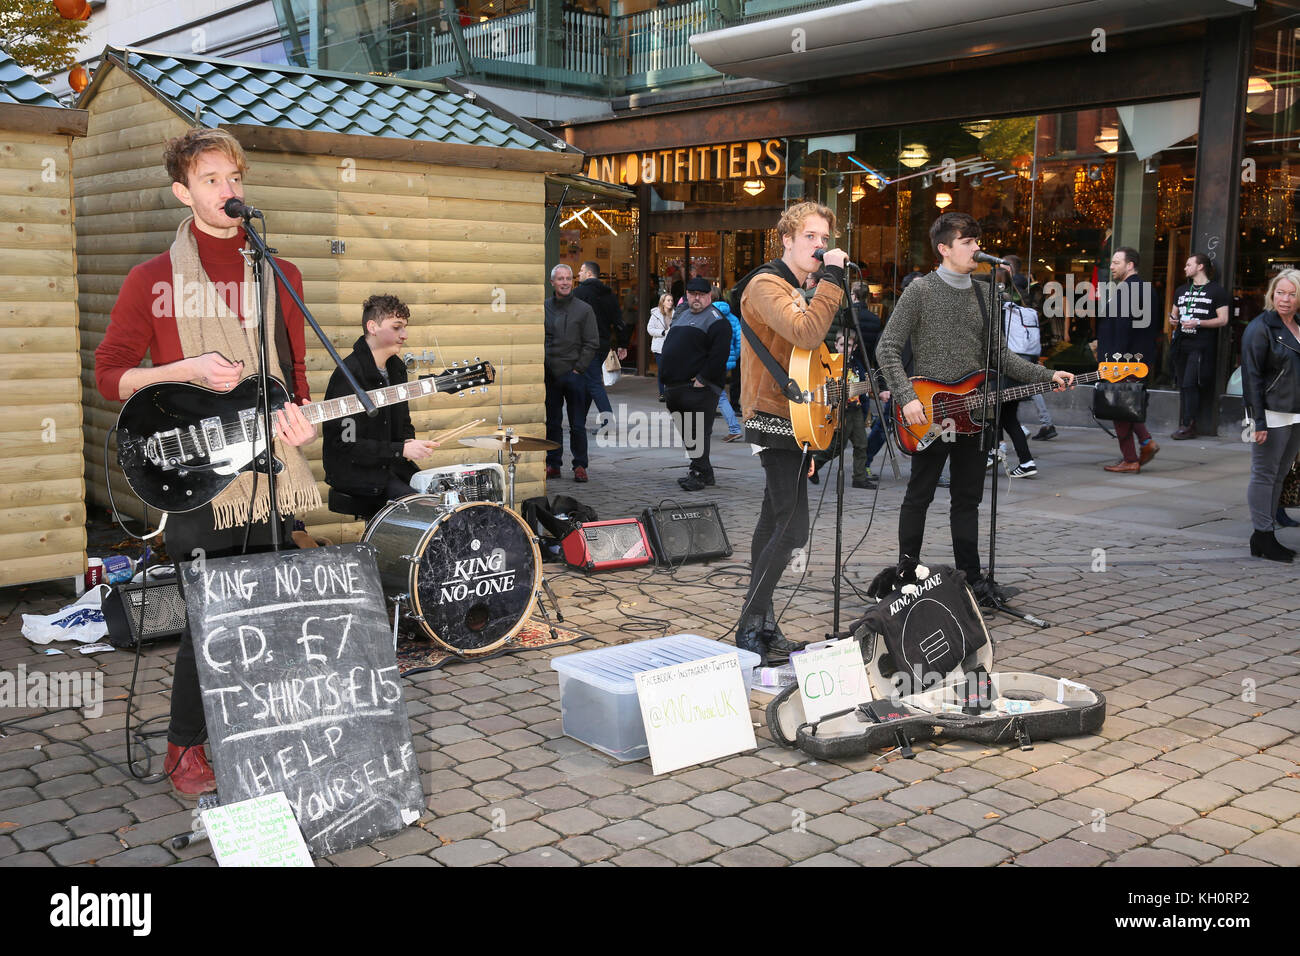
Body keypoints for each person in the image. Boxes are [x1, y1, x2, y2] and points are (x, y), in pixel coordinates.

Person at [93, 128, 319, 801]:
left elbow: (295, 372)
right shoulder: (153, 280)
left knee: (272, 608)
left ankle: (258, 728)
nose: (228, 190)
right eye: (212, 179)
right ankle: (184, 746)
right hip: (196, 479)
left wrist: (301, 418)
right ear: (182, 192)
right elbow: (110, 375)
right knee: (212, 616)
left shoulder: (279, 271)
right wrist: (183, 369)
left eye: (233, 177)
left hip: (270, 470)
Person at [876, 212, 1074, 601]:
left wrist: (1046, 376)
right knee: (920, 496)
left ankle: (973, 581)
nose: (976, 248)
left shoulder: (987, 293)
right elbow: (887, 348)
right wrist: (906, 397)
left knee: (968, 500)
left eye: (977, 240)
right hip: (929, 413)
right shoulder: (920, 291)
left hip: (975, 413)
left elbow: (1001, 356)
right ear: (944, 248)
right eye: (967, 242)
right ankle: (906, 575)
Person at [735, 202, 847, 664]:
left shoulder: (800, 287)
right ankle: (750, 624)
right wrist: (833, 281)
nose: (820, 246)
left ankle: (760, 624)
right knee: (793, 525)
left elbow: (806, 358)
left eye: (825, 239)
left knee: (774, 518)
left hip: (797, 417)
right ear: (786, 238)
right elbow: (805, 332)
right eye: (811, 238)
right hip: (771, 414)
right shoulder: (766, 285)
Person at [323, 295, 438, 511]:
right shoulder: (348, 375)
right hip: (355, 471)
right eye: (397, 327)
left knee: (441, 499)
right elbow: (346, 444)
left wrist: (411, 444)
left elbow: (403, 422)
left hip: (390, 464)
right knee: (421, 508)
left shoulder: (396, 368)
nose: (404, 335)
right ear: (372, 327)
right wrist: (400, 449)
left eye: (405, 327)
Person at [1240, 269, 1300, 562]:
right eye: (1280, 293)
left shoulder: (1298, 325)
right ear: (1271, 294)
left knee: (1279, 474)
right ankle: (1263, 534)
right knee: (1264, 474)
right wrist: (1257, 421)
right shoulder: (1260, 327)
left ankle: (1263, 535)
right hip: (1271, 412)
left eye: (1291, 293)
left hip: (1295, 413)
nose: (1285, 299)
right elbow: (1250, 377)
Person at [660, 276, 732, 491]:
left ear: (710, 296)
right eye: (693, 294)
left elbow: (719, 356)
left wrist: (703, 379)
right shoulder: (682, 315)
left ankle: (699, 473)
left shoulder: (717, 320)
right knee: (689, 432)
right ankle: (703, 471)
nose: (697, 298)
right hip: (676, 386)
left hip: (699, 388)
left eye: (701, 294)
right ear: (687, 295)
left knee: (698, 432)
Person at [1094, 247, 1160, 473]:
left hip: (1122, 361)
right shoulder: (1146, 289)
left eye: (1116, 262)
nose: (1111, 267)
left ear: (1129, 265)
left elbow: (1122, 328)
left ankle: (1131, 459)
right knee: (1126, 404)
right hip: (1139, 358)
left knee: (1118, 407)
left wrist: (1112, 362)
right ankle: (1145, 443)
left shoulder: (1127, 290)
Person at [544, 264, 599, 482]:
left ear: (573, 281)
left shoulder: (584, 309)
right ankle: (553, 463)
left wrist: (578, 368)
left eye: (568, 278)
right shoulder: (544, 308)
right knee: (552, 422)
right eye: (560, 279)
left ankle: (580, 465)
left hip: (576, 375)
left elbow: (591, 342)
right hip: (550, 374)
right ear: (552, 283)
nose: (565, 282)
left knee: (577, 424)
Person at [1169, 252, 1230, 439]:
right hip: (1181, 343)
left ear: (1200, 266)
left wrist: (1199, 323)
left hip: (1201, 344)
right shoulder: (1181, 290)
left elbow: (1223, 320)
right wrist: (1173, 320)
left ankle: (1189, 424)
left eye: (1189, 264)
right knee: (1182, 383)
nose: (1185, 268)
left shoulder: (1217, 291)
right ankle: (1185, 422)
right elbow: (1173, 316)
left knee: (1190, 383)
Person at [1003, 255, 1056, 440]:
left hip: (1015, 345)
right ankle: (1043, 423)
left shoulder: (1014, 288)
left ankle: (1022, 428)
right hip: (1030, 345)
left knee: (1011, 388)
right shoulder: (1028, 287)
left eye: (1003, 265)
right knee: (1029, 383)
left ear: (1010, 268)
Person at [573, 261, 627, 427]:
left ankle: (607, 421)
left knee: (593, 383)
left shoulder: (579, 293)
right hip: (603, 344)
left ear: (589, 274)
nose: (579, 273)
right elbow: (618, 320)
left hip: (586, 345)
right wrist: (622, 344)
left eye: (581, 270)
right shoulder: (609, 294)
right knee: (589, 381)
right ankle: (579, 421)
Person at [713, 286, 745, 442]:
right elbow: (739, 341)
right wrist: (733, 357)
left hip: (709, 360)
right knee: (714, 393)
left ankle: (734, 428)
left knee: (718, 395)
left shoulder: (708, 315)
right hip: (727, 360)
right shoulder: (732, 317)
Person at [648, 291, 674, 400]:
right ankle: (662, 393)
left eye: (672, 300)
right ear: (663, 302)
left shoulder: (675, 314)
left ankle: (670, 392)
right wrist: (662, 332)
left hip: (672, 346)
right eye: (668, 300)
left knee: (671, 370)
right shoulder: (656, 314)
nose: (671, 302)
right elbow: (650, 329)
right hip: (659, 347)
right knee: (662, 370)